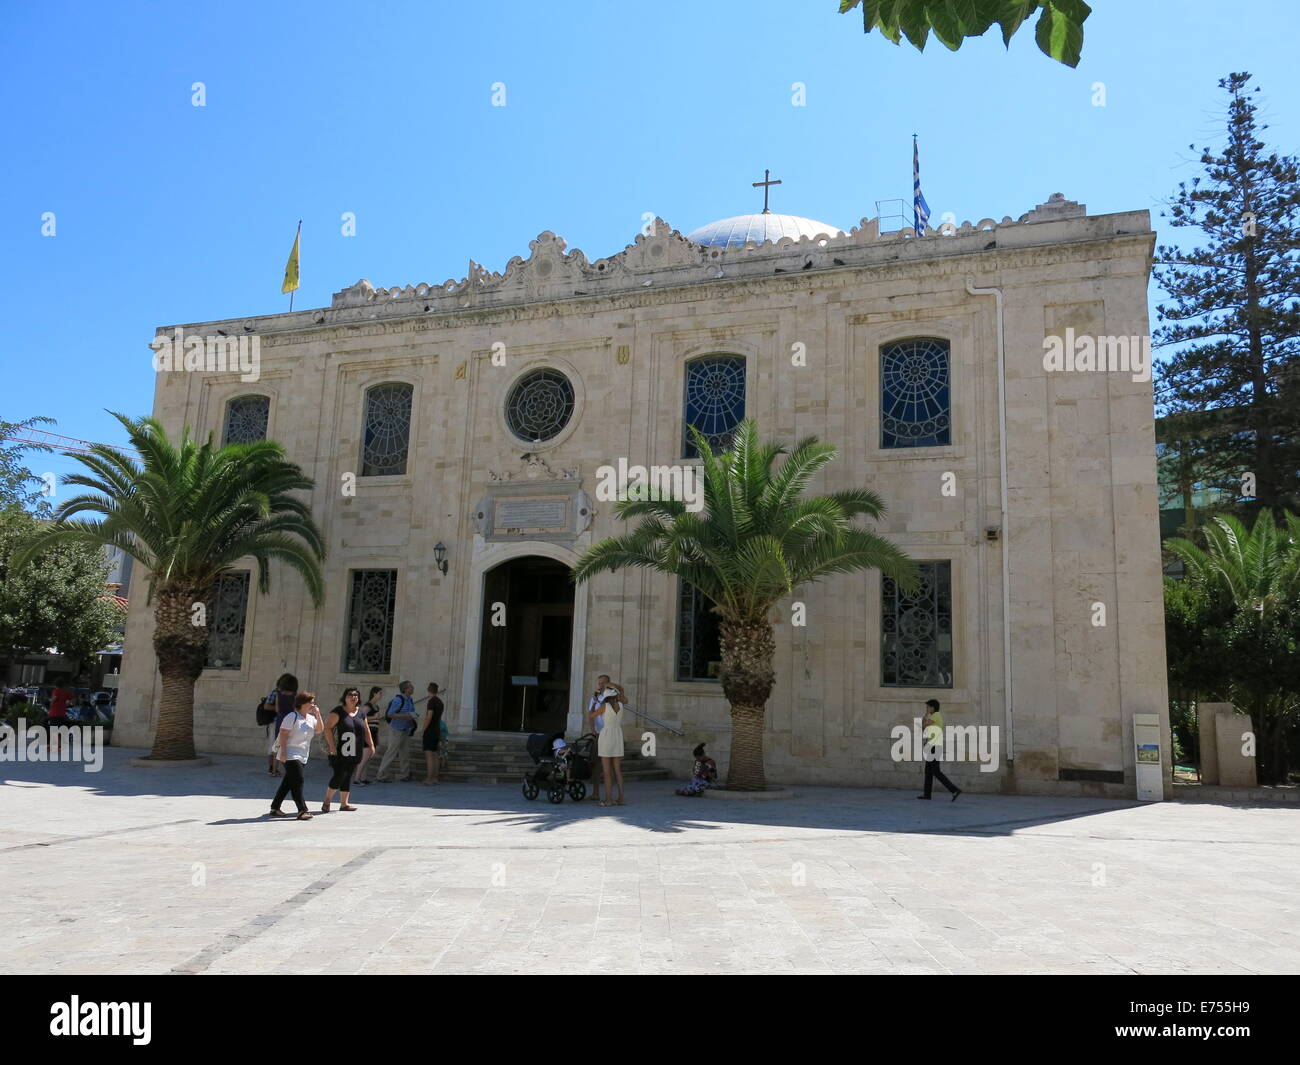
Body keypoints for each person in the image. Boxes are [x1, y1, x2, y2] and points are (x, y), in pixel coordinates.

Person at [269, 692, 323, 820]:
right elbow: (283, 734)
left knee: (288, 782)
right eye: (310, 702)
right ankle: (302, 810)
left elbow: (319, 730)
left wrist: (318, 714)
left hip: (303, 754)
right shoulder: (292, 716)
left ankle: (275, 807)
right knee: (298, 781)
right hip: (290, 754)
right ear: (301, 704)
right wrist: (283, 753)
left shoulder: (310, 718)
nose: (312, 705)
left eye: (313, 702)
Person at [322, 687, 371, 813]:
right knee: (339, 775)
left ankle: (344, 804)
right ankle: (327, 802)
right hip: (338, 750)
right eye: (350, 695)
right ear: (344, 697)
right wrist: (332, 746)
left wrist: (371, 745)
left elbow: (366, 729)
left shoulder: (361, 712)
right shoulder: (338, 712)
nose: (353, 697)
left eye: (356, 695)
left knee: (348, 775)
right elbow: (327, 728)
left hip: (355, 750)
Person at [918, 698, 961, 802]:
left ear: (933, 707)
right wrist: (925, 716)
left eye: (928, 707)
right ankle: (927, 794)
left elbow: (923, 725)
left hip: (934, 747)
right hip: (931, 746)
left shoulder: (936, 715)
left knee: (936, 771)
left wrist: (925, 716)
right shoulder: (933, 716)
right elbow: (923, 728)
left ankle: (954, 790)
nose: (927, 709)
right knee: (928, 771)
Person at [375, 680, 418, 782]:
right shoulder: (398, 700)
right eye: (411, 687)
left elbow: (410, 712)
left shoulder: (410, 699)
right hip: (396, 730)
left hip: (406, 730)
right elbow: (390, 714)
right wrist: (405, 716)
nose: (413, 688)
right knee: (391, 752)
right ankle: (381, 775)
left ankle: (404, 775)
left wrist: (412, 716)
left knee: (405, 753)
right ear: (405, 689)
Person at [594, 688, 626, 807]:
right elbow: (623, 693)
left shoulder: (604, 706)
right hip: (618, 736)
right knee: (617, 770)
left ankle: (608, 800)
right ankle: (621, 798)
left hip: (606, 736)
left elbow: (592, 715)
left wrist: (594, 704)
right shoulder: (621, 705)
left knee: (607, 771)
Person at [264, 673, 299, 777]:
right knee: (290, 746)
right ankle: (291, 771)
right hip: (291, 721)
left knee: (277, 746)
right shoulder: (295, 696)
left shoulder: (278, 694)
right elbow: (295, 709)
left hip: (280, 720)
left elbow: (277, 709)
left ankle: (274, 770)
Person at [354, 686, 384, 785]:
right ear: (374, 693)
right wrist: (374, 717)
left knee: (369, 757)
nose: (381, 695)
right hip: (367, 732)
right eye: (380, 693)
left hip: (374, 733)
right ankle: (356, 779)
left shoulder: (376, 707)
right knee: (365, 757)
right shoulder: (368, 706)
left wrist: (378, 736)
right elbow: (359, 718)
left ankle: (363, 778)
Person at [421, 682, 445, 786]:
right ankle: (435, 778)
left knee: (429, 755)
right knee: (435, 754)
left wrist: (423, 729)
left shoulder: (431, 702)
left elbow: (429, 716)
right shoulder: (440, 702)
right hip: (437, 730)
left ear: (429, 690)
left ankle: (429, 778)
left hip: (430, 730)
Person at [46, 677, 74, 756]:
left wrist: (51, 703)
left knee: (53, 729)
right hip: (62, 713)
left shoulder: (56, 691)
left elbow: (54, 698)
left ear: (55, 684)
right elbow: (73, 699)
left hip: (54, 713)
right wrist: (67, 703)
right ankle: (60, 745)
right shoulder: (66, 692)